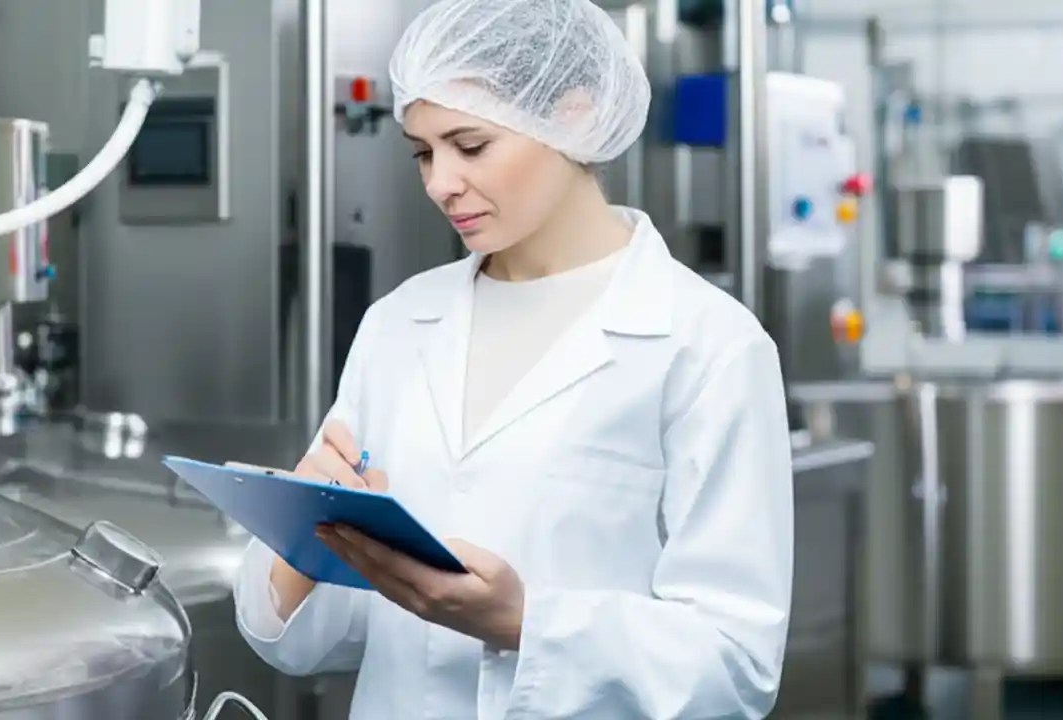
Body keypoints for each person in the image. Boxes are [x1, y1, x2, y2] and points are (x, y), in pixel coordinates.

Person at [234, 0, 795, 717]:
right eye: (423, 152)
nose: (439, 183)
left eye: (469, 146)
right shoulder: (401, 322)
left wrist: (525, 622)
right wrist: (302, 541)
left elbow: (737, 663)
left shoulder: (705, 344)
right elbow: (321, 633)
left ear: (575, 117)